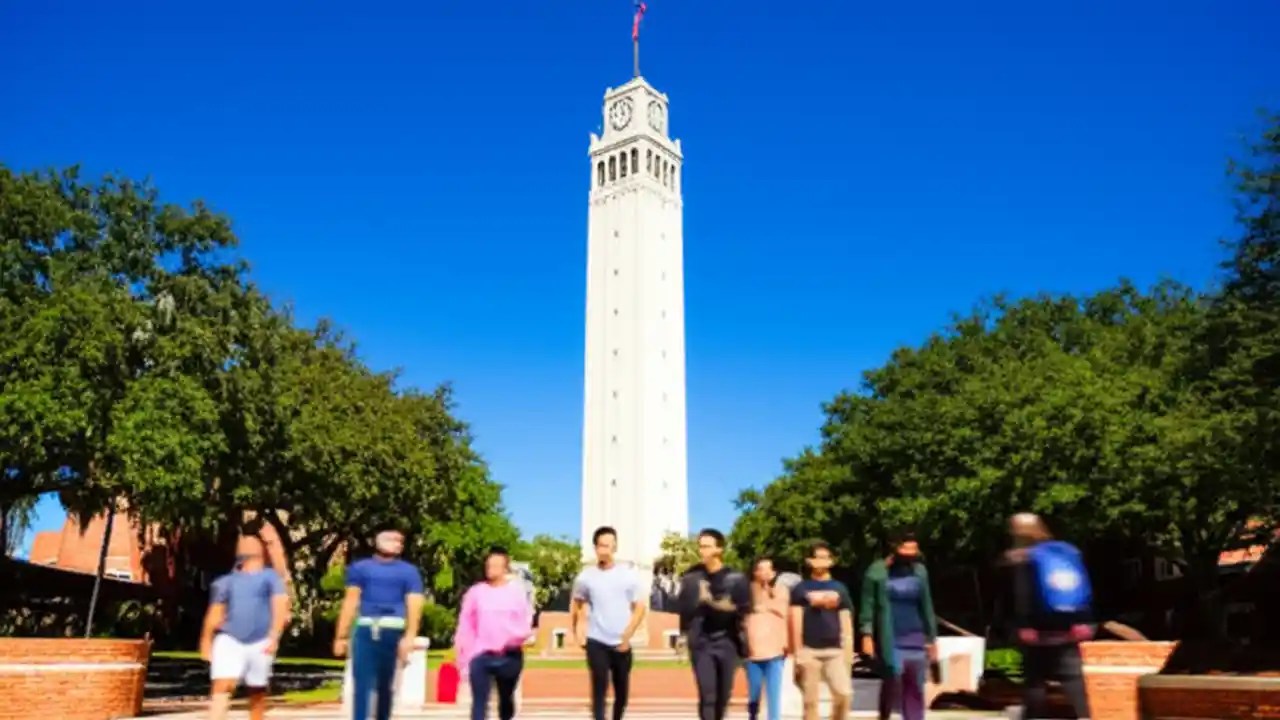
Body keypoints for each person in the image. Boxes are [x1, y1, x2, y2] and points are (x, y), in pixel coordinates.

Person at [333, 526, 425, 720]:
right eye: (393, 539)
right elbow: (351, 601)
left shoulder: (409, 572)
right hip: (366, 630)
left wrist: (410, 635)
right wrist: (341, 635)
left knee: (387, 686)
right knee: (362, 685)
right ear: (378, 540)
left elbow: (414, 603)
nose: (397, 543)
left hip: (393, 630)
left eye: (400, 541)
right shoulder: (360, 568)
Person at [200, 525, 291, 720]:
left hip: (260, 642)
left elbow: (280, 605)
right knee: (222, 686)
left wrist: (274, 635)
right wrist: (206, 640)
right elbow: (215, 613)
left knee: (257, 693)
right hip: (229, 639)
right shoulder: (226, 582)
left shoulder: (271, 578)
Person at [1007, 513, 1093, 720]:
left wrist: (1024, 625)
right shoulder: (1065, 553)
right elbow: (1082, 588)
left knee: (1035, 681)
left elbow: (1022, 594)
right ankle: (1084, 716)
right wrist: (1083, 619)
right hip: (1069, 628)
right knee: (1073, 680)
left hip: (1038, 632)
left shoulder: (1024, 557)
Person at [859, 532, 938, 720]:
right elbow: (867, 604)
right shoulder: (877, 571)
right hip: (891, 635)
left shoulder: (920, 571)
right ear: (895, 548)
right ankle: (884, 715)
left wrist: (931, 637)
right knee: (893, 680)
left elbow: (926, 605)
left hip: (916, 635)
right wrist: (866, 634)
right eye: (906, 548)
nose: (910, 553)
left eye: (914, 549)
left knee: (915, 686)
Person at [571, 526, 647, 720]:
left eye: (609, 545)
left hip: (621, 643)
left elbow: (639, 607)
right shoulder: (586, 577)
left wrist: (627, 635)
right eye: (601, 545)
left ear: (615, 547)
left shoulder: (628, 575)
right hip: (596, 641)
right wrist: (579, 632)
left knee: (621, 692)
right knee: (599, 690)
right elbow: (577, 605)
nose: (605, 549)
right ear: (595, 548)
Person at [677, 528, 750, 720]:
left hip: (728, 642)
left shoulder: (736, 578)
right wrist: (683, 636)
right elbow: (684, 610)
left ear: (719, 550)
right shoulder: (692, 577)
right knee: (707, 695)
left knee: (722, 697)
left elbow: (742, 610)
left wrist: (711, 602)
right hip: (701, 643)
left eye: (707, 547)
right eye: (700, 546)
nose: (702, 551)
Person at [455, 546, 534, 720]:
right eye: (489, 565)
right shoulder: (475, 593)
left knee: (505, 700)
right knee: (479, 702)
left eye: (496, 565)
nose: (491, 569)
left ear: (505, 568)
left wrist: (515, 637)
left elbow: (524, 622)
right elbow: (466, 625)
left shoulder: (516, 593)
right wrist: (464, 658)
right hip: (481, 656)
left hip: (509, 656)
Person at [789, 540, 854, 720]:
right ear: (809, 561)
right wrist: (797, 653)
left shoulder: (839, 588)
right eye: (817, 558)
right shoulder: (800, 589)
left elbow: (846, 619)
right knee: (811, 702)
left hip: (835, 651)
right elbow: (795, 619)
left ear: (831, 561)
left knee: (844, 693)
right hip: (809, 650)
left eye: (825, 558)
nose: (821, 561)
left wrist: (848, 649)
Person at [745, 556, 788, 720]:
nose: (765, 573)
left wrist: (786, 643)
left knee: (774, 696)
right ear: (755, 572)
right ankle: (753, 713)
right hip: (753, 652)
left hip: (775, 651)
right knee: (754, 692)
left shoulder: (781, 590)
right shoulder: (748, 591)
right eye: (761, 569)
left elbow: (783, 613)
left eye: (769, 569)